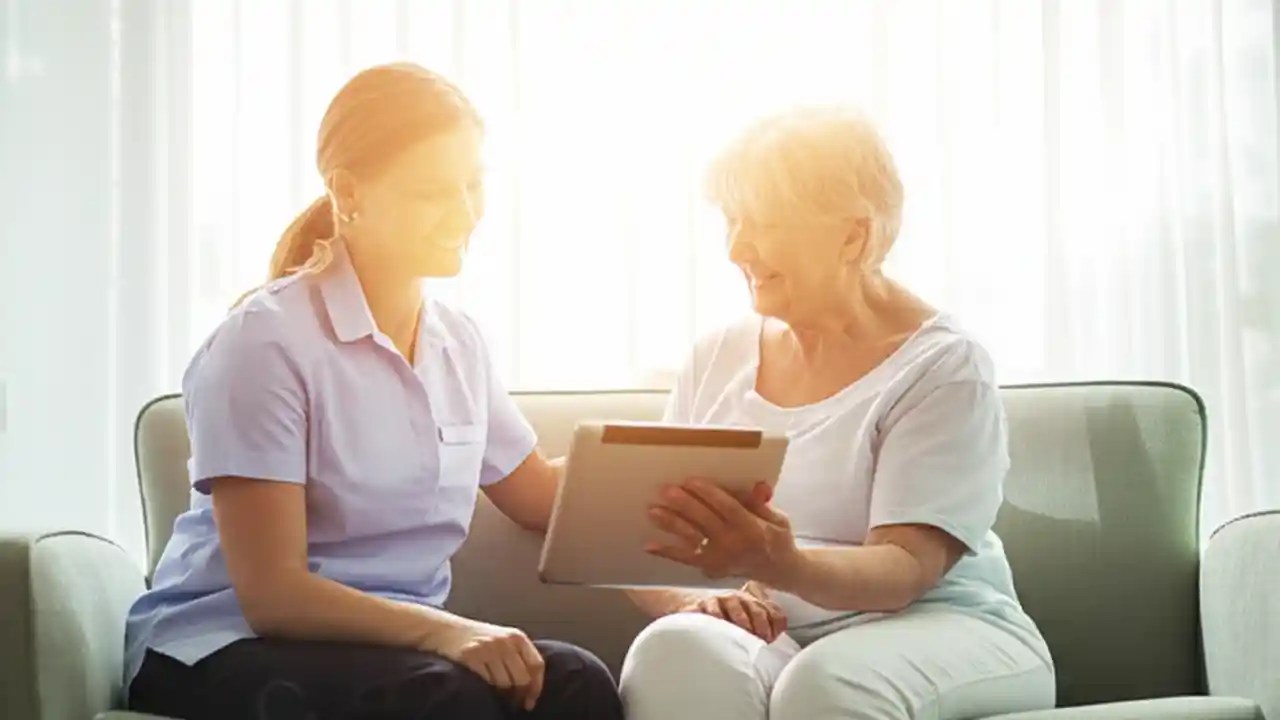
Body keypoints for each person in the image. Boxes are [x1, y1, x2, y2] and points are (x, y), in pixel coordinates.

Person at [123, 63, 623, 720]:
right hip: (222, 644)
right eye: (432, 192)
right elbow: (273, 594)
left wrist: (676, 485)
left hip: (390, 650)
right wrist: (447, 631)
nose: (465, 213)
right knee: (452, 697)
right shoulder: (263, 344)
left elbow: (537, 496)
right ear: (349, 193)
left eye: (473, 185)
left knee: (574, 683)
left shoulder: (458, 344)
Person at [619, 107, 1057, 719]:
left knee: (824, 687)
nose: (737, 248)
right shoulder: (718, 355)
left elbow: (906, 568)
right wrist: (688, 602)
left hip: (942, 624)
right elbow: (651, 544)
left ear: (852, 235)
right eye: (732, 220)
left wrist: (782, 562)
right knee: (673, 651)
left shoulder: (942, 366)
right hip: (780, 628)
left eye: (763, 222)